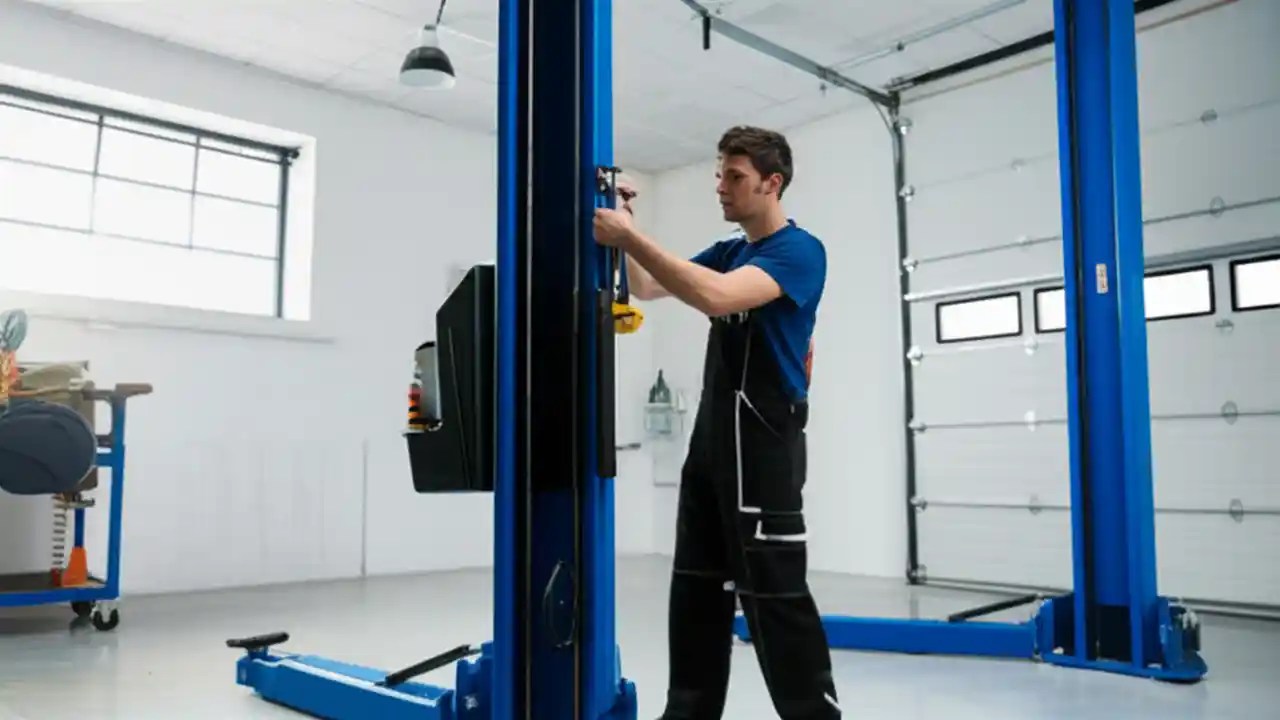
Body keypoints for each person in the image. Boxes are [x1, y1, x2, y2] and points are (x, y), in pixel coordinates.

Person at [594, 126, 839, 720]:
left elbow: (718, 297)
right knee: (695, 592)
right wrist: (626, 228)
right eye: (719, 176)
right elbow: (651, 287)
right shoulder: (732, 249)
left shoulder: (799, 252)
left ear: (771, 183)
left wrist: (631, 236)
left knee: (776, 600)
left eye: (735, 178)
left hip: (764, 446)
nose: (721, 188)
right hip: (710, 447)